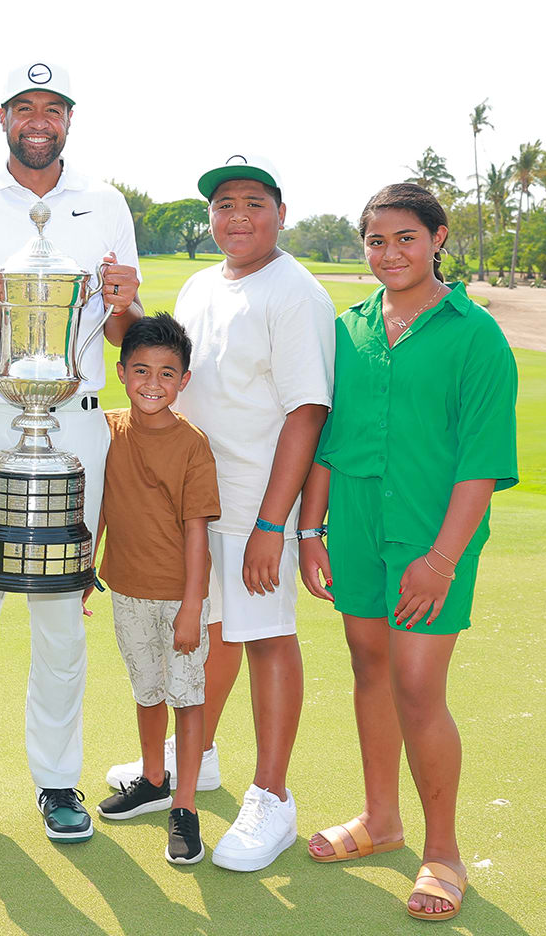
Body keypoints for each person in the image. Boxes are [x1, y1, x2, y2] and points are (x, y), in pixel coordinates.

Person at [0, 61, 142, 846]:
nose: (38, 121)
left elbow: (121, 334)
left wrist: (125, 302)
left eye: (52, 108)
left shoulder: (106, 202)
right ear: (3, 116)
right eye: (24, 108)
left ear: (69, 121)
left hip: (73, 425)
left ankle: (56, 783)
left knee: (61, 624)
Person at [297, 182, 518, 922]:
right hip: (353, 530)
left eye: (405, 239)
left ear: (438, 239)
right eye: (375, 240)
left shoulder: (474, 334)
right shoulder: (347, 329)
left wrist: (443, 558)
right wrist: (309, 531)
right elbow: (329, 440)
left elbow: (481, 461)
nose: (389, 254)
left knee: (419, 689)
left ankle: (444, 851)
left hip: (432, 538)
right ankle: (380, 821)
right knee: (369, 667)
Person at [109, 154, 334, 873]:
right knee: (205, 636)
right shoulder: (206, 283)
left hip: (255, 505)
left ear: (280, 213)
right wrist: (125, 313)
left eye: (253, 203)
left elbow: (308, 411)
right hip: (198, 506)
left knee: (267, 637)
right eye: (223, 205)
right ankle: (192, 762)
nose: (236, 216)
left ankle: (272, 796)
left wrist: (276, 524)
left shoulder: (295, 293)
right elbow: (162, 362)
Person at [87, 315, 219, 866]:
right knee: (147, 690)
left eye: (167, 373)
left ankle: (183, 807)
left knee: (186, 699)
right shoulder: (106, 428)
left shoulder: (192, 445)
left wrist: (192, 606)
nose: (152, 383)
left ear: (184, 380)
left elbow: (197, 532)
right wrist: (83, 575)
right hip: (127, 590)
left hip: (179, 596)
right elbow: (94, 502)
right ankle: (152, 779)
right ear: (121, 373)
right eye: (140, 370)